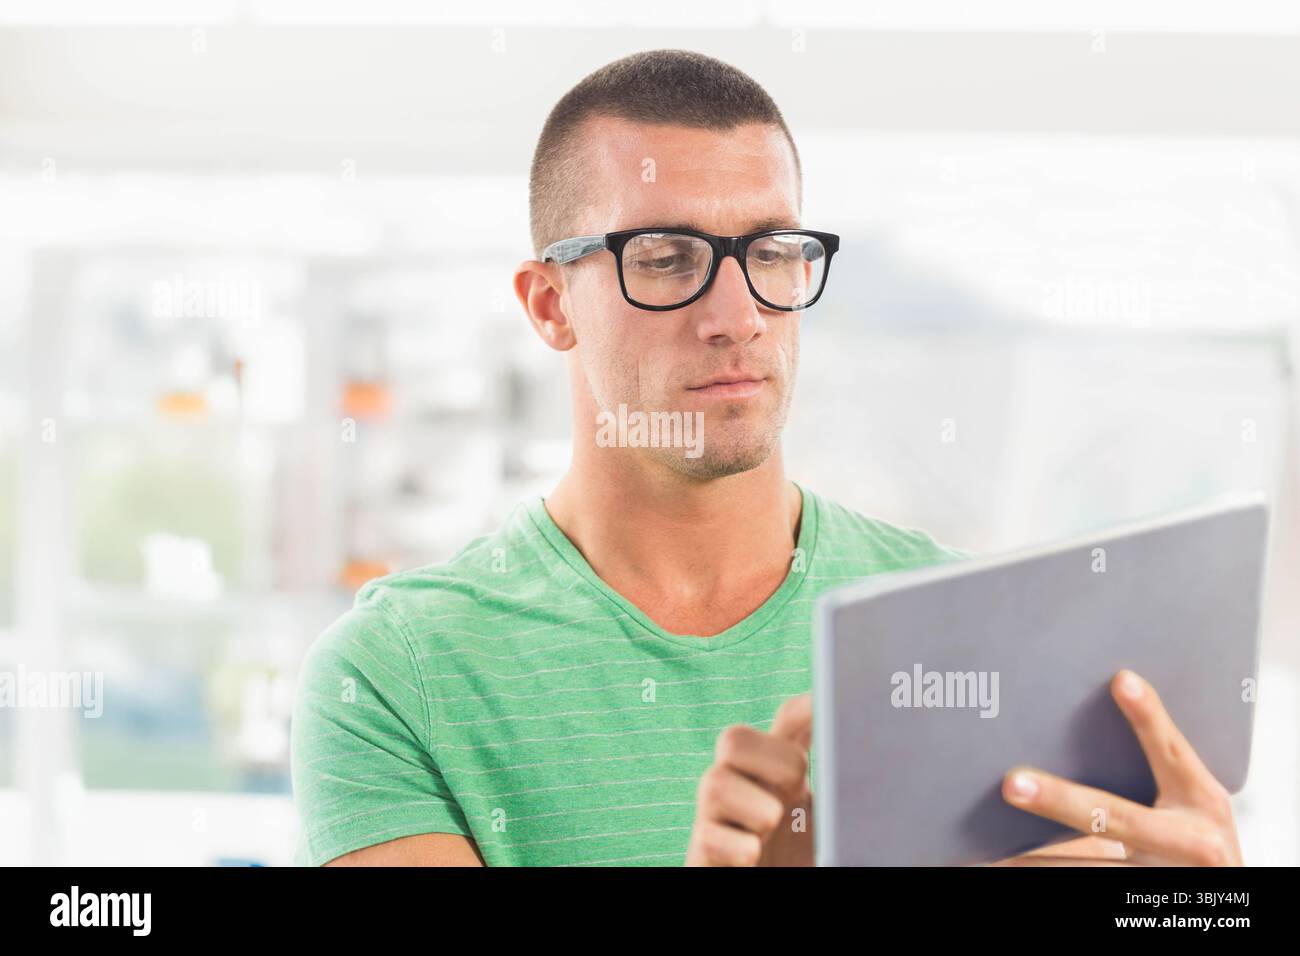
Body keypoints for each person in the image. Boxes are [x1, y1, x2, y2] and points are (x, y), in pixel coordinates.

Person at [290, 49, 1243, 867]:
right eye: (664, 257)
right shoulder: (391, 679)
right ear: (549, 305)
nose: (737, 316)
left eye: (773, 250)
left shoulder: (968, 631)